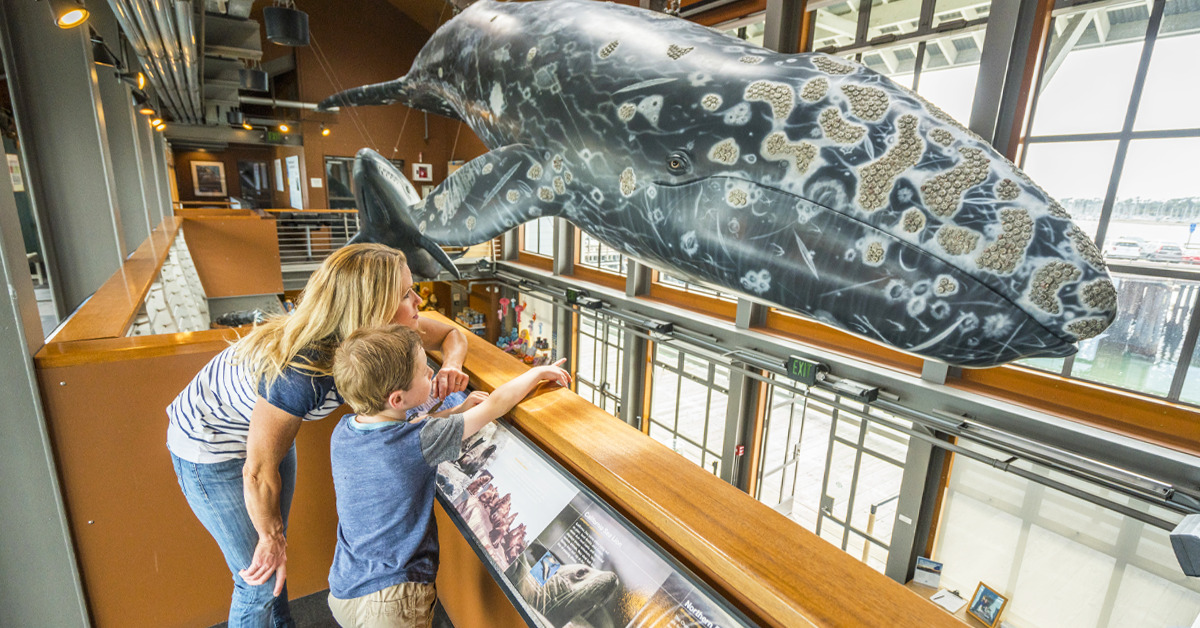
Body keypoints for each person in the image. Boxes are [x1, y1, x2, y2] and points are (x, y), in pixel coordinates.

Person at [166, 243, 469, 627]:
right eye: (405, 294)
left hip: (263, 439)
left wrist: (451, 368)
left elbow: (452, 337)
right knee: (257, 578)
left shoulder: (377, 340)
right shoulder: (303, 371)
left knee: (276, 566)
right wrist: (269, 535)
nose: (417, 301)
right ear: (372, 306)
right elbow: (258, 471)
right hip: (210, 447)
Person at [326, 324, 570, 628]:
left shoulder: (345, 431)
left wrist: (457, 412)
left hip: (346, 584)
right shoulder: (416, 441)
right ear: (397, 399)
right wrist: (536, 374)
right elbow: (494, 405)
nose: (431, 370)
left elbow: (414, 427)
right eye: (423, 370)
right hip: (393, 599)